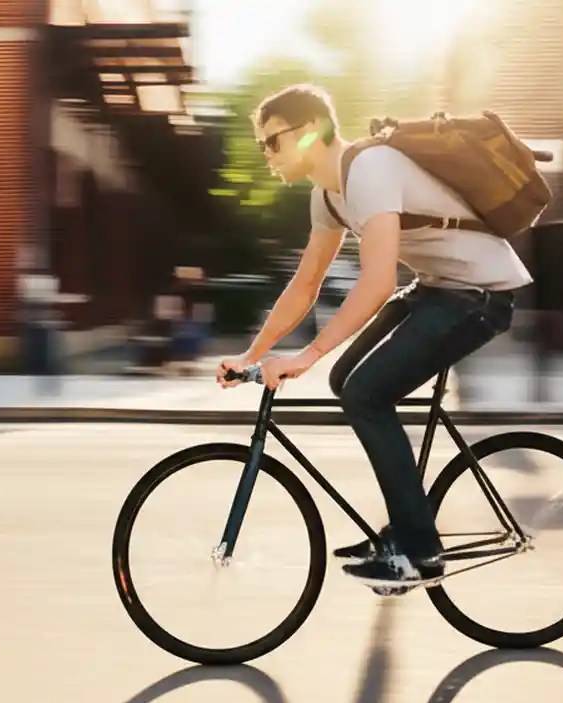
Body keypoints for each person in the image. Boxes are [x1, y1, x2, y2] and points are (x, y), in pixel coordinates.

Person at [216, 84, 533, 594]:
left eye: (271, 142)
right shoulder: (328, 195)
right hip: (438, 289)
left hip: (479, 294)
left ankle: (420, 552)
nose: (266, 155)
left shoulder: (371, 169)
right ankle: (404, 529)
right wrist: (252, 354)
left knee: (366, 393)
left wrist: (309, 353)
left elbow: (377, 281)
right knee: (347, 381)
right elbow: (306, 283)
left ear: (310, 132)